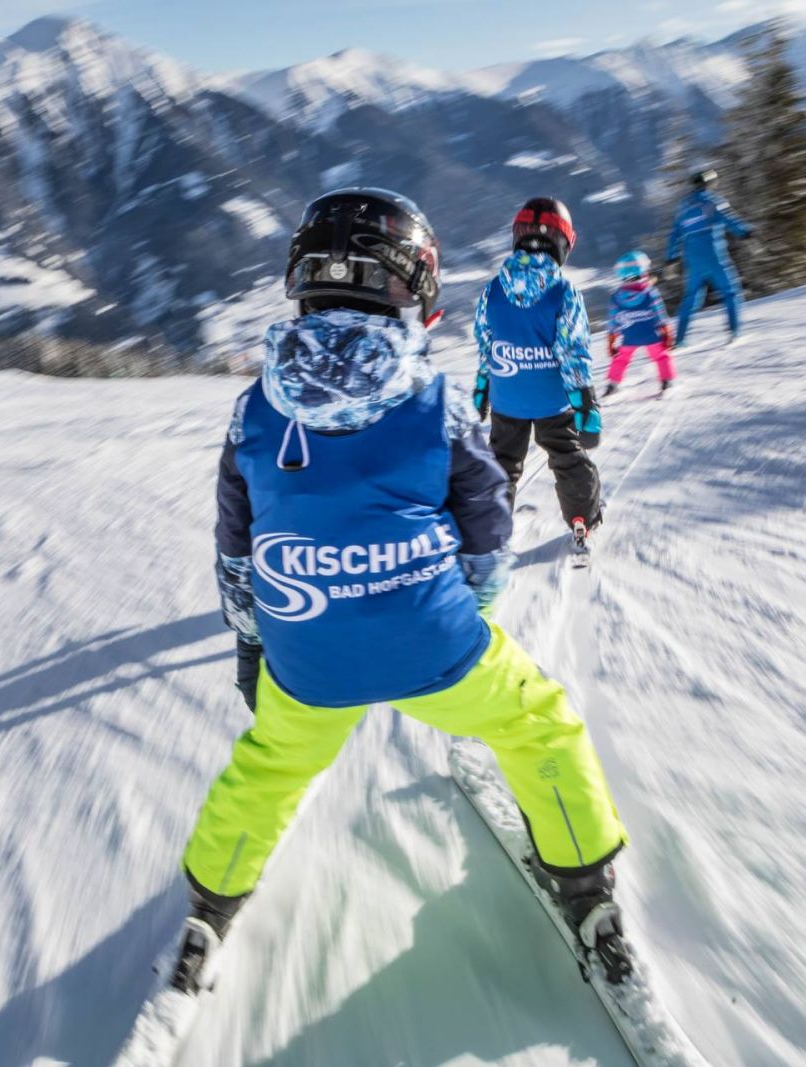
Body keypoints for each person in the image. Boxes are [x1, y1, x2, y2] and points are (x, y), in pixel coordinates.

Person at [171, 188, 630, 994]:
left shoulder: (255, 412)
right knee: (539, 724)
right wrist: (468, 616)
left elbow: (236, 552)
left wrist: (253, 644)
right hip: (437, 645)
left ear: (302, 278)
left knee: (271, 765)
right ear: (414, 284)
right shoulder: (435, 402)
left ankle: (211, 904)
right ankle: (586, 887)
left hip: (307, 658)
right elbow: (488, 530)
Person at [472, 197, 602, 551]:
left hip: (507, 399)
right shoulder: (563, 292)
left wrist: (482, 388)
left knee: (501, 463)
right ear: (564, 243)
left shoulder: (493, 289)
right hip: (552, 402)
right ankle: (582, 517)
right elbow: (573, 352)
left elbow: (486, 343)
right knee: (568, 458)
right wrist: (585, 405)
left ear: (517, 237)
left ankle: (489, 530)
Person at [666, 169, 753, 347]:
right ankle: (734, 332)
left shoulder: (684, 207)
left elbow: (675, 234)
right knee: (730, 292)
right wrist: (746, 233)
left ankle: (680, 340)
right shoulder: (714, 201)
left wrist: (671, 259)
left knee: (690, 299)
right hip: (715, 256)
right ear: (710, 183)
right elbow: (731, 220)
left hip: (693, 260)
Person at [603, 250, 675, 397]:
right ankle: (666, 381)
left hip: (629, 337)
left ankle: (612, 385)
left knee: (621, 359)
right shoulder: (650, 293)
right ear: (642, 272)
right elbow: (660, 314)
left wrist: (611, 340)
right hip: (651, 335)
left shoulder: (616, 298)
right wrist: (666, 332)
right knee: (661, 356)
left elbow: (613, 321)